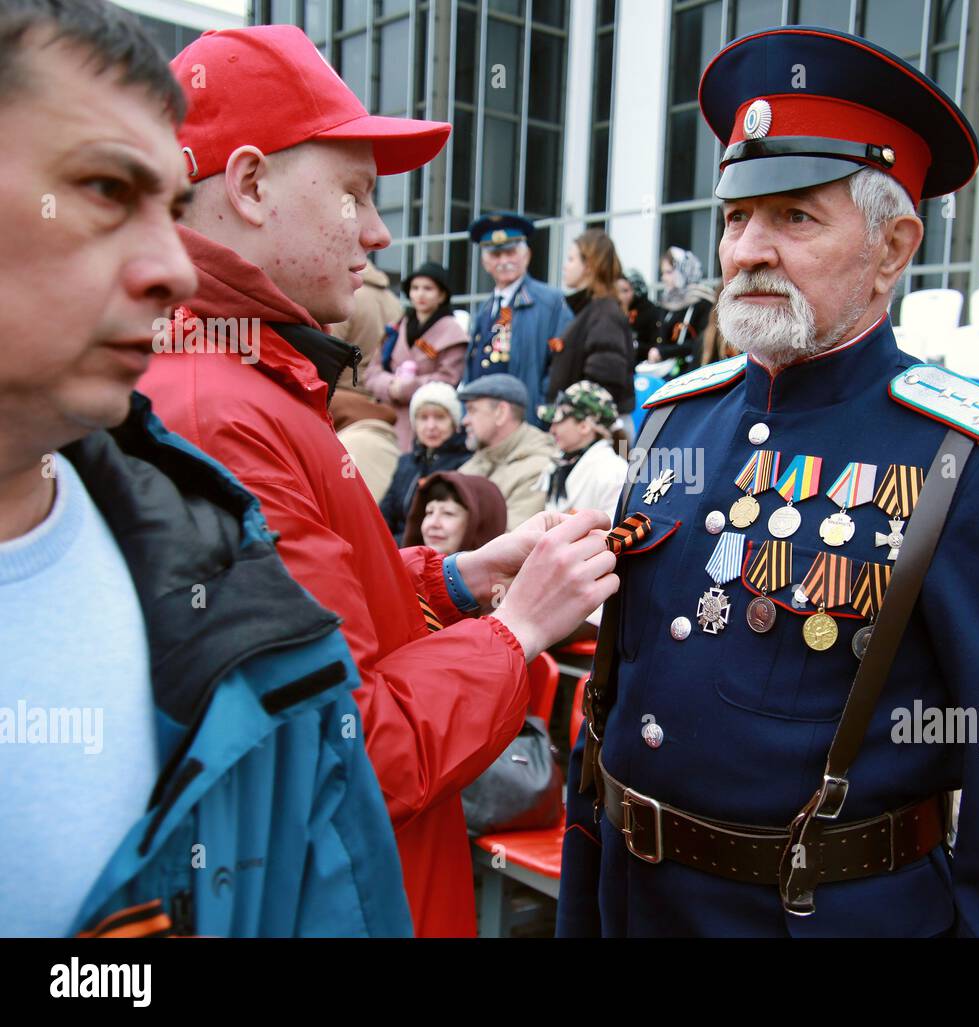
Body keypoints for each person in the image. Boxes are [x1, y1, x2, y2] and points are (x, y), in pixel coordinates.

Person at [558, 26, 979, 939]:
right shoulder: (675, 416)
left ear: (894, 247)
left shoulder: (978, 458)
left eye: (795, 218)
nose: (747, 250)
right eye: (737, 216)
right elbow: (616, 704)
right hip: (634, 900)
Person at [136, 24, 618, 937]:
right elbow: (353, 745)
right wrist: (516, 633)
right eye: (354, 192)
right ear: (246, 185)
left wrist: (455, 579)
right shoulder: (219, 410)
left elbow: (311, 624)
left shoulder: (227, 377)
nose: (377, 229)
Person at [0, 0, 409, 937]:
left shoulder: (214, 553)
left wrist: (455, 583)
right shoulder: (213, 455)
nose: (174, 268)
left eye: (169, 206)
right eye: (105, 189)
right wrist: (511, 635)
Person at [464, 212, 574, 425]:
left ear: (526, 256)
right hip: (486, 422)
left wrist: (542, 407)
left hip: (526, 421)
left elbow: (561, 362)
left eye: (511, 252)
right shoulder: (486, 308)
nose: (504, 261)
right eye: (496, 255)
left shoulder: (550, 301)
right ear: (485, 263)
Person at [365, 260, 468, 454]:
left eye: (428, 288)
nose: (420, 294)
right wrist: (389, 386)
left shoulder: (452, 331)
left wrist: (407, 388)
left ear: (442, 294)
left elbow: (449, 378)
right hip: (389, 417)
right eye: (415, 288)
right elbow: (372, 372)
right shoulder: (397, 326)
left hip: (428, 422)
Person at [328, 259, 404, 501]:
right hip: (379, 404)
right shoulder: (393, 303)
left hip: (341, 402)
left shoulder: (344, 298)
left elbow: (327, 353)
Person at [552, 230, 636, 413]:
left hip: (594, 431)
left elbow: (602, 389)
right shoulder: (592, 311)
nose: (565, 266)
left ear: (589, 266)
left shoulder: (604, 314)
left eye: (571, 259)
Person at [457, 374, 556, 530]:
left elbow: (514, 540)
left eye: (472, 410)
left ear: (501, 413)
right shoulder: (474, 464)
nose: (464, 421)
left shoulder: (537, 468)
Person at [380, 381, 471, 541]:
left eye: (440, 417)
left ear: (454, 423)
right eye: (423, 418)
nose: (431, 426)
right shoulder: (406, 462)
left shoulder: (464, 464)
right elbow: (384, 516)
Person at [537, 381, 630, 517]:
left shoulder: (614, 472)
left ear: (584, 426)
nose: (552, 429)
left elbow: (612, 532)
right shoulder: (561, 462)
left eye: (559, 420)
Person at [648, 246, 715, 377]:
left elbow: (702, 342)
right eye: (663, 273)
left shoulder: (702, 303)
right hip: (665, 374)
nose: (663, 278)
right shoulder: (667, 302)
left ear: (683, 271)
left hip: (692, 375)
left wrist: (664, 352)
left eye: (668, 272)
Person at [401, 471, 507, 553]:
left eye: (448, 513)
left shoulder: (505, 581)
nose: (433, 524)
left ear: (479, 524)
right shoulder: (406, 578)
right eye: (429, 512)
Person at [616, 270, 667, 364]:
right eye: (618, 291)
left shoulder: (652, 312)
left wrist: (636, 345)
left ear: (637, 289)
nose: (620, 296)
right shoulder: (619, 311)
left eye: (625, 291)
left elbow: (657, 346)